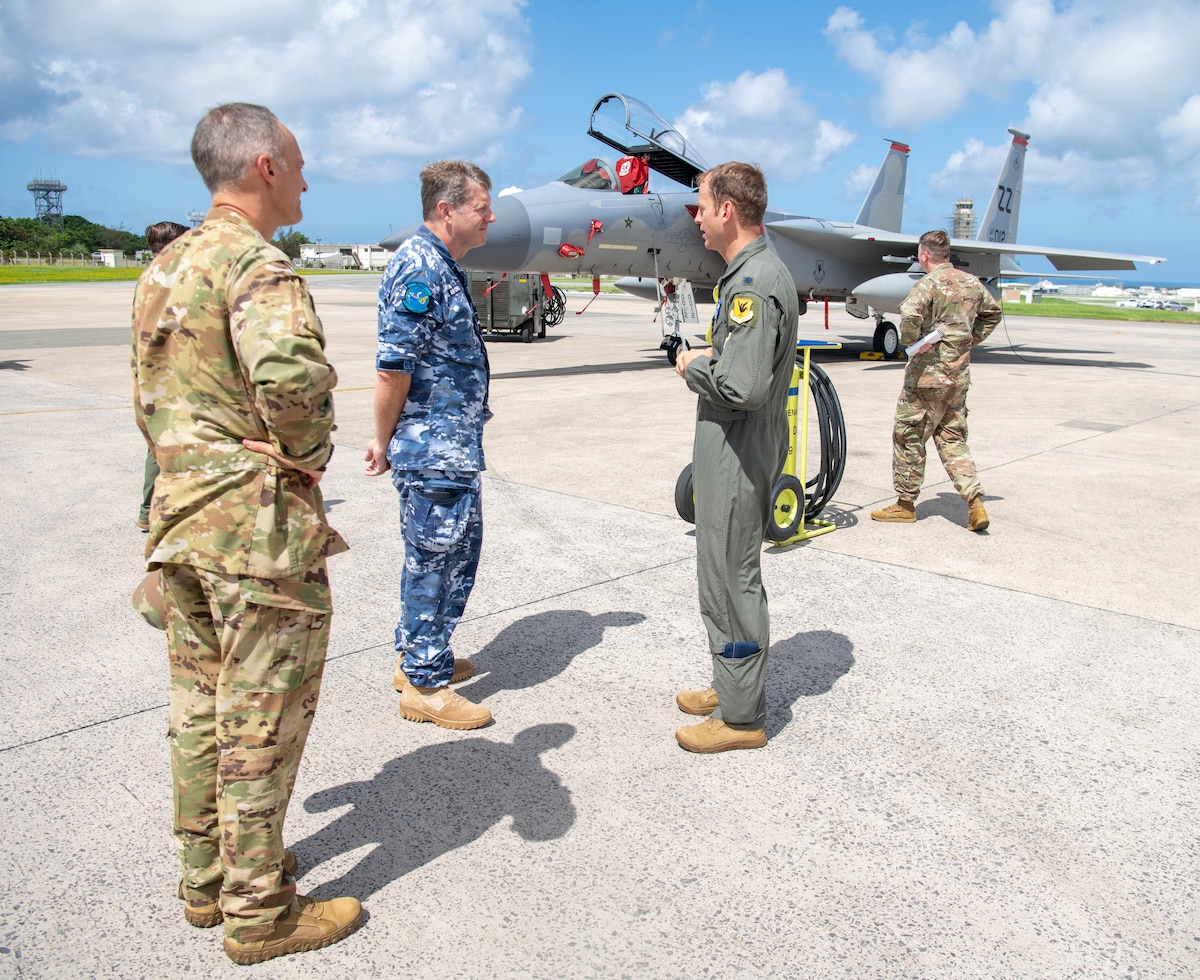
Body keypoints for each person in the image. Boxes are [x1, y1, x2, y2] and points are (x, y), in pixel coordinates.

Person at [131, 102, 361, 965]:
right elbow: (293, 377)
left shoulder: (165, 266)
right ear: (264, 167)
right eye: (298, 163)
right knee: (260, 721)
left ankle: (209, 881)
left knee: (200, 708)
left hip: (181, 524)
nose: (305, 177)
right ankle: (260, 914)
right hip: (253, 539)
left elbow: (155, 403)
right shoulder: (259, 267)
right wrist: (305, 456)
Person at [672, 162, 799, 754]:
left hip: (738, 449)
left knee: (730, 576)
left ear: (727, 210)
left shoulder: (752, 284)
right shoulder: (749, 275)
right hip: (736, 447)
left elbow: (742, 387)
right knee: (720, 571)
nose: (695, 216)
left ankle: (742, 717)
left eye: (701, 204)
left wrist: (694, 366)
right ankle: (731, 685)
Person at [364, 160, 495, 731]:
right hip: (434, 448)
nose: (490, 217)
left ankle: (421, 654)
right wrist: (382, 439)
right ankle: (423, 683)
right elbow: (394, 367)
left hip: (449, 446)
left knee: (447, 555)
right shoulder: (421, 268)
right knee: (438, 562)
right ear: (447, 210)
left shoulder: (442, 264)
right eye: (480, 208)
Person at [870, 229, 1002, 531]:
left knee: (908, 436)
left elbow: (910, 315)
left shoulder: (926, 285)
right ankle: (974, 503)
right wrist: (966, 340)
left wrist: (914, 343)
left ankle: (905, 505)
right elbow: (993, 313)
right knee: (953, 439)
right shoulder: (971, 283)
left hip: (926, 379)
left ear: (924, 254)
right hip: (958, 378)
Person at [135, 221, 190, 532]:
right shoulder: (176, 282)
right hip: (173, 376)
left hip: (149, 376)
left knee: (155, 445)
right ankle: (160, 511)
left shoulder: (148, 280)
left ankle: (148, 510)